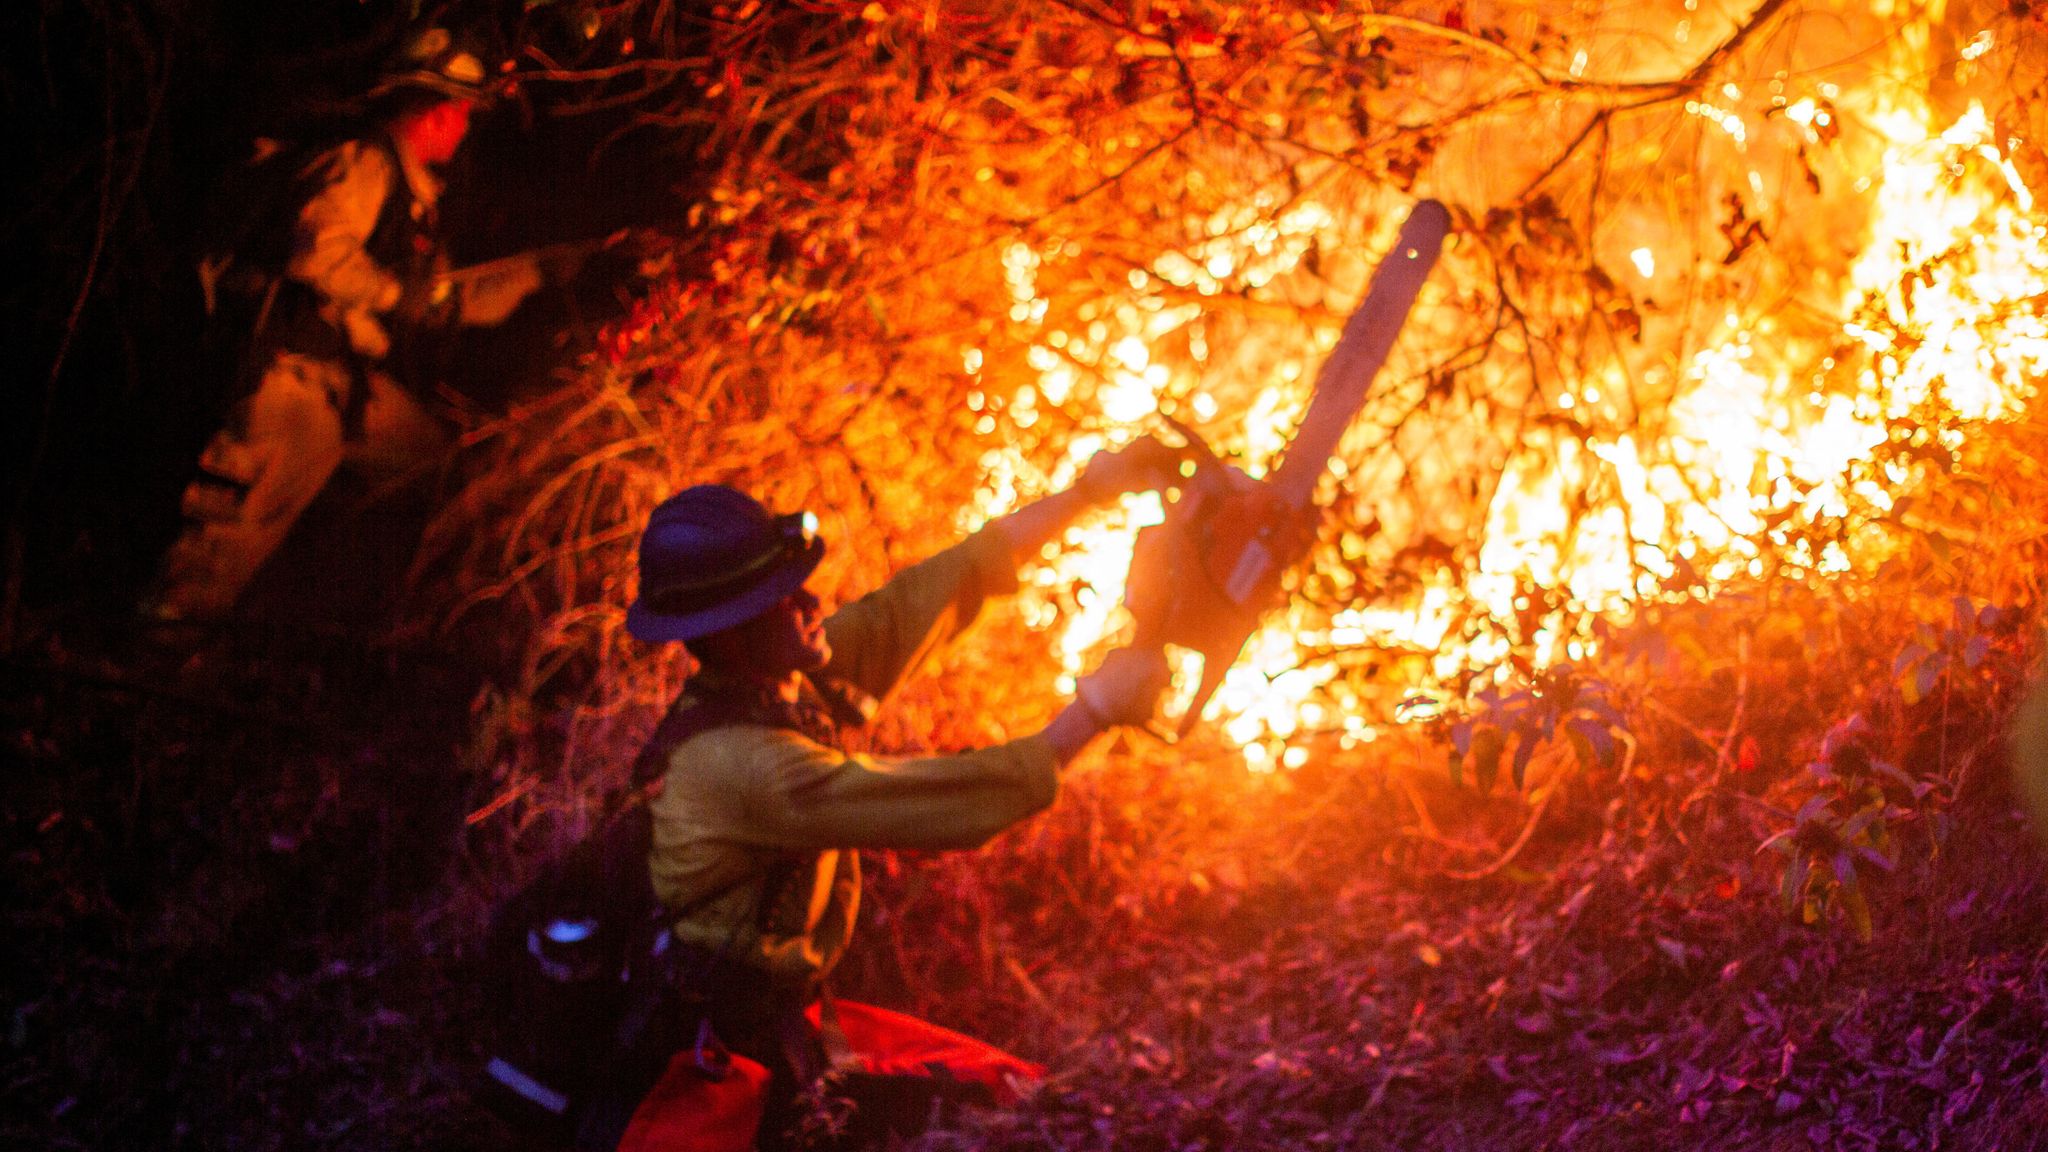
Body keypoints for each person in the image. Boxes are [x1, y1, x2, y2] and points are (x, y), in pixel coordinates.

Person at [615, 444, 1180, 1149]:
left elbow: (935, 592)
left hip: (785, 1022)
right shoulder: (740, 767)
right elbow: (952, 803)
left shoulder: (777, 682)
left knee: (1021, 1090)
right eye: (783, 597)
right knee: (1011, 1120)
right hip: (720, 1066)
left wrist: (1089, 492)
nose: (811, 602)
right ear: (732, 634)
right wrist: (1095, 710)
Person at [139, 29, 553, 637]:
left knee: (428, 467)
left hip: (345, 381)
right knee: (248, 509)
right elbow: (317, 252)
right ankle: (165, 629)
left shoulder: (414, 196)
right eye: (465, 114)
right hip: (293, 373)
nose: (466, 129)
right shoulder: (364, 164)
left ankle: (335, 622)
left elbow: (445, 298)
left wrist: (537, 277)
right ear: (440, 113)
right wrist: (393, 295)